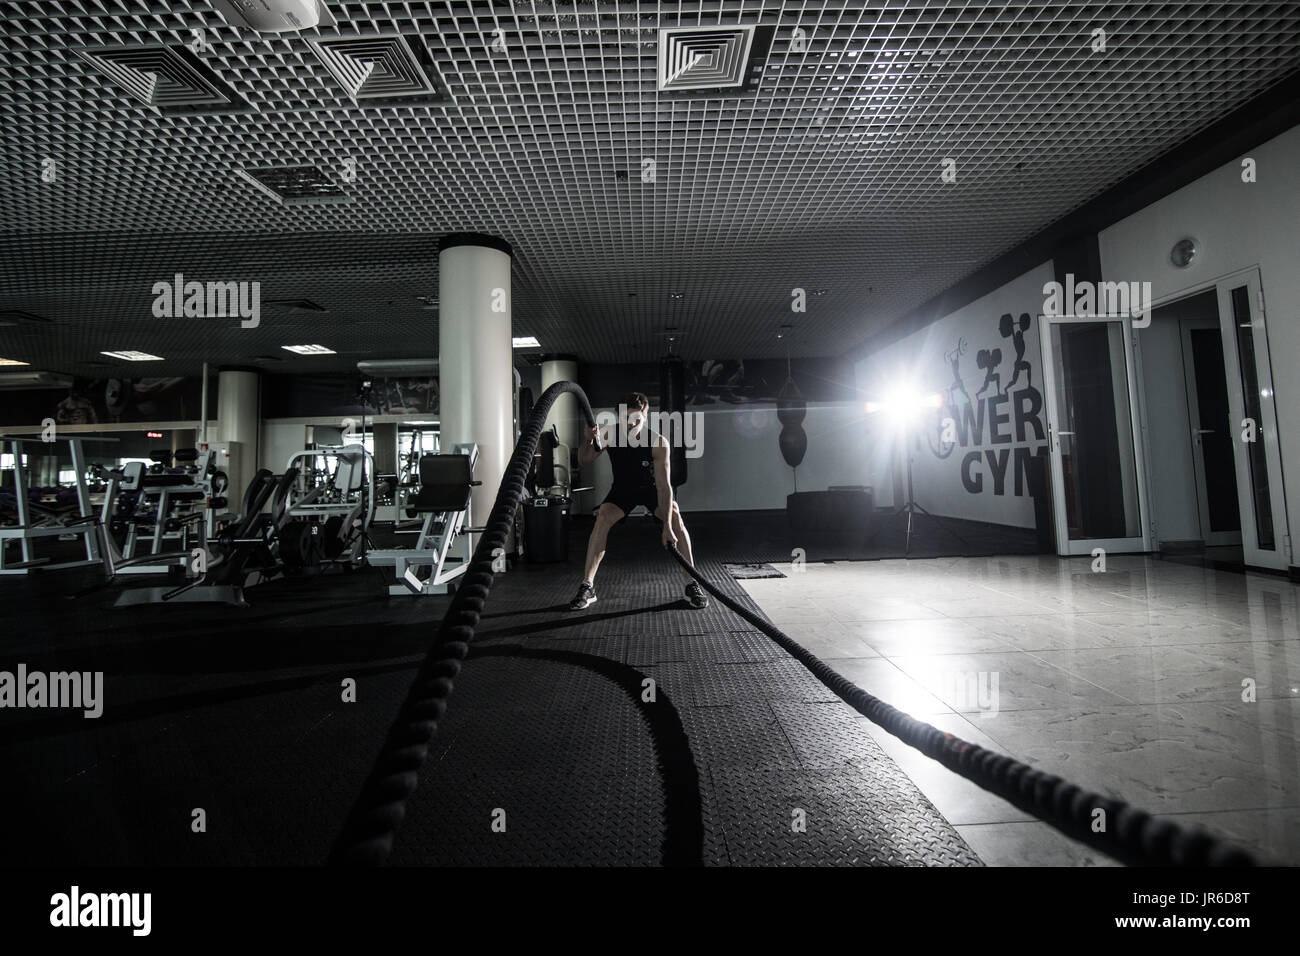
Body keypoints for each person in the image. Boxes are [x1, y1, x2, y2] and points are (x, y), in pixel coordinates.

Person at [568, 391, 708, 610]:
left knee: (674, 514)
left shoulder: (658, 442)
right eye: (627, 419)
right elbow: (584, 459)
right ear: (619, 417)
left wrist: (667, 528)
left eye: (637, 420)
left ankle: (692, 583)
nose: (632, 425)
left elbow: (664, 486)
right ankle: (588, 586)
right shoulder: (608, 435)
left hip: (651, 489)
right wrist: (587, 440)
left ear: (645, 416)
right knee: (602, 517)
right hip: (623, 490)